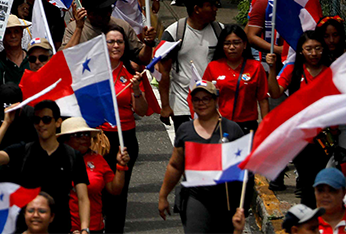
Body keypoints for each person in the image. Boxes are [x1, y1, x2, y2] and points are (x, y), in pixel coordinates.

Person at [269, 30, 346, 207]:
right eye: (309, 49)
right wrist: (271, 69)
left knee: (326, 181)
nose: (314, 53)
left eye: (317, 48)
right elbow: (275, 92)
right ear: (301, 51)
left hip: (328, 138)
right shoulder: (293, 70)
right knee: (308, 182)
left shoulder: (331, 71)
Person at [0, 100, 90, 234]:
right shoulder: (23, 150)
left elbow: (83, 197)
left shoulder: (72, 155)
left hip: (59, 227)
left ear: (58, 122)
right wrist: (6, 123)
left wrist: (84, 229)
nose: (41, 124)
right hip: (26, 227)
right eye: (36, 120)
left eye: (46, 119)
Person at [159, 81, 245, 233]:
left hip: (225, 201)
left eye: (206, 98)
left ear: (215, 100)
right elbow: (175, 165)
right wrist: (163, 196)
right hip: (196, 197)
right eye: (197, 99)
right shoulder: (185, 130)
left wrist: (242, 205)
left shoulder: (232, 130)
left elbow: (243, 171)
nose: (201, 103)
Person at [100, 26, 149, 234]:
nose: (116, 46)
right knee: (97, 189)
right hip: (97, 140)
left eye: (119, 42)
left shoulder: (130, 72)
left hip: (124, 138)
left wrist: (136, 90)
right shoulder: (91, 71)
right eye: (111, 41)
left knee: (118, 194)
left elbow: (143, 110)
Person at [157, 0, 226, 128]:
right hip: (183, 105)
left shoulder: (221, 31)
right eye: (210, 5)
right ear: (197, 9)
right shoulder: (173, 33)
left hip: (215, 105)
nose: (216, 8)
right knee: (187, 149)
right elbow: (163, 72)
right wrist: (165, 106)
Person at [58, 117, 129, 234]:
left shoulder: (98, 160)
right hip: (63, 227)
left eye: (87, 134)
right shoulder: (56, 160)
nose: (85, 137)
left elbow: (114, 189)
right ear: (65, 140)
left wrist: (121, 166)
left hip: (93, 228)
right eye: (78, 135)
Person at [201, 24, 268, 132]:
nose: (232, 47)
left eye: (236, 43)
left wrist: (266, 127)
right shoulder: (213, 66)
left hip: (247, 126)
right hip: (220, 124)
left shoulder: (256, 67)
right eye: (227, 43)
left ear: (244, 45)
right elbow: (204, 96)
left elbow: (263, 99)